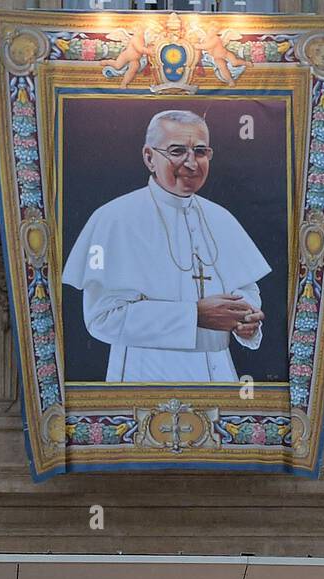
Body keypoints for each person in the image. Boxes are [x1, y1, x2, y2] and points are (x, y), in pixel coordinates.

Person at [63, 109, 271, 383]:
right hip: (144, 377)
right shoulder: (113, 219)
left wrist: (247, 320)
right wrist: (193, 316)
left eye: (199, 151)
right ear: (149, 157)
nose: (191, 163)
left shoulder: (221, 218)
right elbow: (101, 319)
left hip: (219, 378)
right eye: (177, 151)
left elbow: (245, 288)